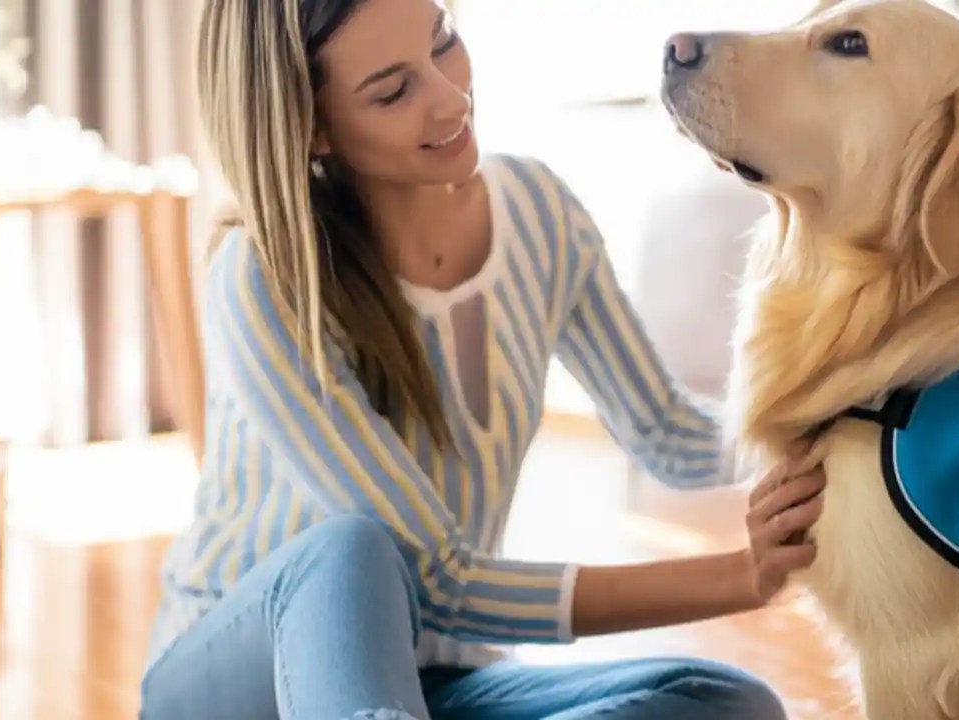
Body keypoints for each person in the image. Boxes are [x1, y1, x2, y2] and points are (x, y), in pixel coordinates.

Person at [138, 1, 827, 718]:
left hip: (432, 679)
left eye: (442, 42)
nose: (449, 96)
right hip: (240, 686)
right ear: (311, 127)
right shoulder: (264, 277)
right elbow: (441, 581)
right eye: (393, 90)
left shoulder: (537, 213)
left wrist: (835, 426)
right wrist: (740, 576)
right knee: (349, 551)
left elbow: (666, 432)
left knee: (725, 702)